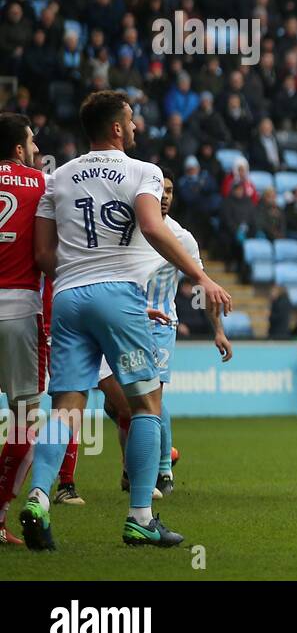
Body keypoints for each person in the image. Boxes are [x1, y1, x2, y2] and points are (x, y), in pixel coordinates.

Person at [21, 91, 231, 550]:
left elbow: (41, 254)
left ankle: (38, 497)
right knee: (145, 406)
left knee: (66, 407)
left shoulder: (57, 177)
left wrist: (83, 280)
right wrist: (202, 277)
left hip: (68, 297)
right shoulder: (144, 172)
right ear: (117, 128)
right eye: (131, 120)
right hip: (119, 295)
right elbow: (153, 228)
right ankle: (140, 517)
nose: (135, 127)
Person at [141, 170, 232, 495]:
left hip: (160, 325)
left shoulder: (182, 237)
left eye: (170, 190)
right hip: (125, 320)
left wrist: (217, 331)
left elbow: (204, 286)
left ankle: (162, 469)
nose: (164, 196)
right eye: (159, 190)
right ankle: (140, 464)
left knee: (152, 395)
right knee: (116, 403)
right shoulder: (131, 227)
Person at [0, 114, 47, 545]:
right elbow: (50, 249)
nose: (35, 149)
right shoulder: (38, 182)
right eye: (31, 142)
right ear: (19, 149)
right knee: (24, 420)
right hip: (18, 308)